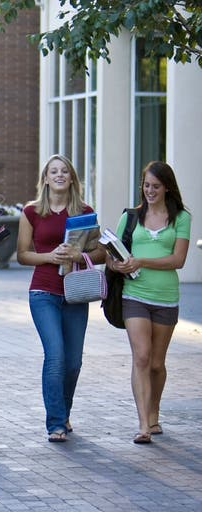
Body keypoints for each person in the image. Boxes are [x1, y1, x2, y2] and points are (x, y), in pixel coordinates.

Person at [17, 154, 106, 443]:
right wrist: (50, 256)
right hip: (43, 292)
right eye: (53, 171)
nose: (59, 175)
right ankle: (55, 422)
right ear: (45, 178)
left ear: (71, 178)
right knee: (55, 356)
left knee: (73, 362)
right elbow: (22, 254)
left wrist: (78, 255)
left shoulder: (84, 211)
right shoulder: (31, 212)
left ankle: (64, 413)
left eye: (64, 171)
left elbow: (100, 252)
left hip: (76, 292)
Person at [108, 161, 190, 444]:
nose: (150, 191)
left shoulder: (181, 218)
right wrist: (118, 265)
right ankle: (143, 424)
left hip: (166, 297)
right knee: (141, 357)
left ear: (167, 187)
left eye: (156, 186)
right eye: (146, 186)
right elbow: (112, 254)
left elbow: (178, 260)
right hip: (134, 295)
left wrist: (141, 260)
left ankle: (154, 413)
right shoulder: (130, 217)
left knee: (156, 363)